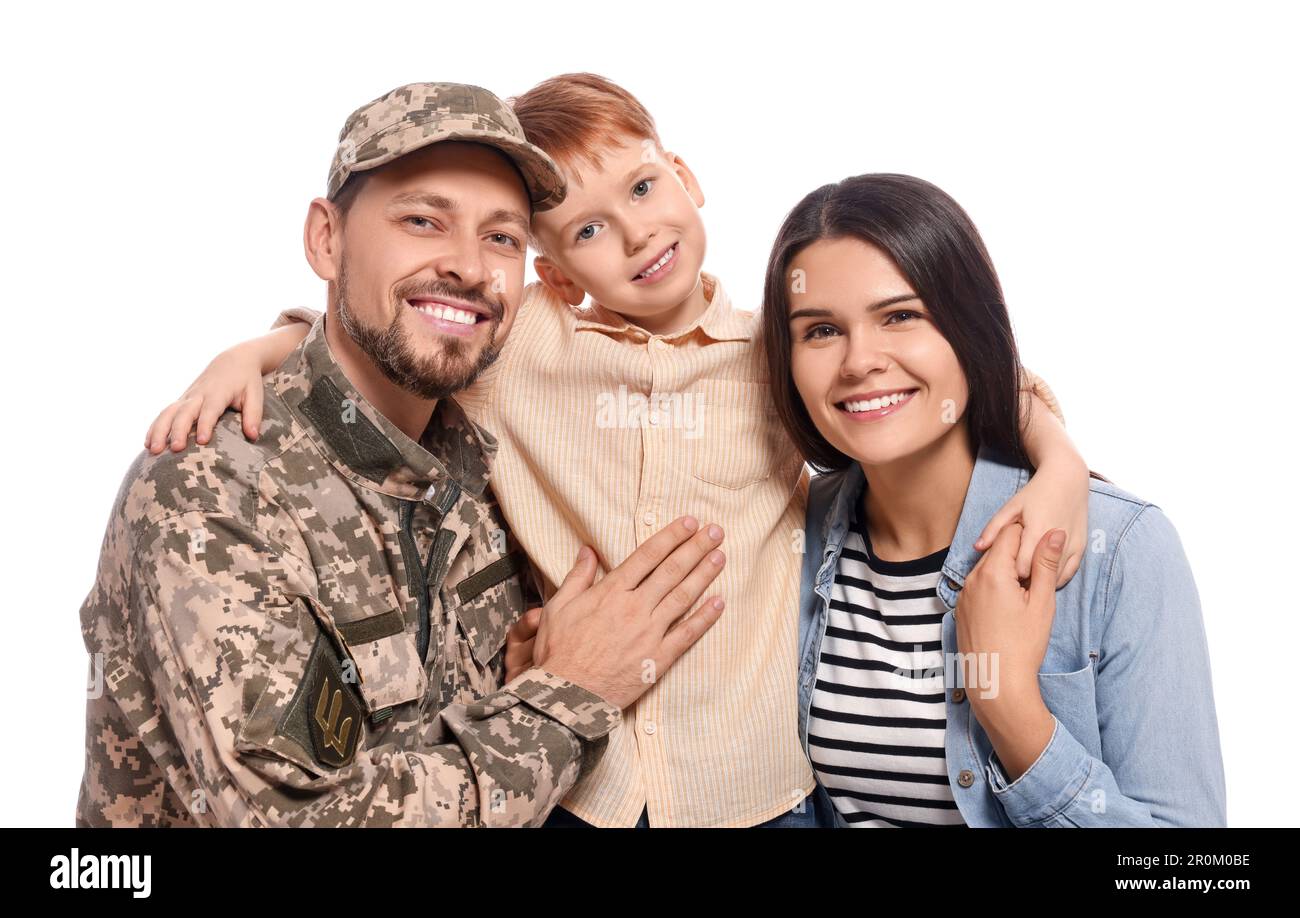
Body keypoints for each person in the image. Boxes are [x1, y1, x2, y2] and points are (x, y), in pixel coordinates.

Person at [144, 75, 1090, 828]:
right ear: (553, 271)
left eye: (644, 188)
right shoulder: (523, 354)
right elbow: (388, 332)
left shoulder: (783, 351)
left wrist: (1057, 464)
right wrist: (263, 348)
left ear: (686, 174)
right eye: (588, 230)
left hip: (750, 791)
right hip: (576, 787)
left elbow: (951, 380)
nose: (635, 233)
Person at [77, 82, 732, 828]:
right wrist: (572, 692)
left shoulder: (485, 466)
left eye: (503, 238)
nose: (466, 265)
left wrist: (530, 675)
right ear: (326, 239)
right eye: (423, 221)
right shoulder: (207, 494)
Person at [762, 173, 1227, 826]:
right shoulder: (788, 536)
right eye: (820, 331)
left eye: (901, 316)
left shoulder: (1118, 552)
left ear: (968, 327)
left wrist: (1009, 707)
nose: (859, 361)